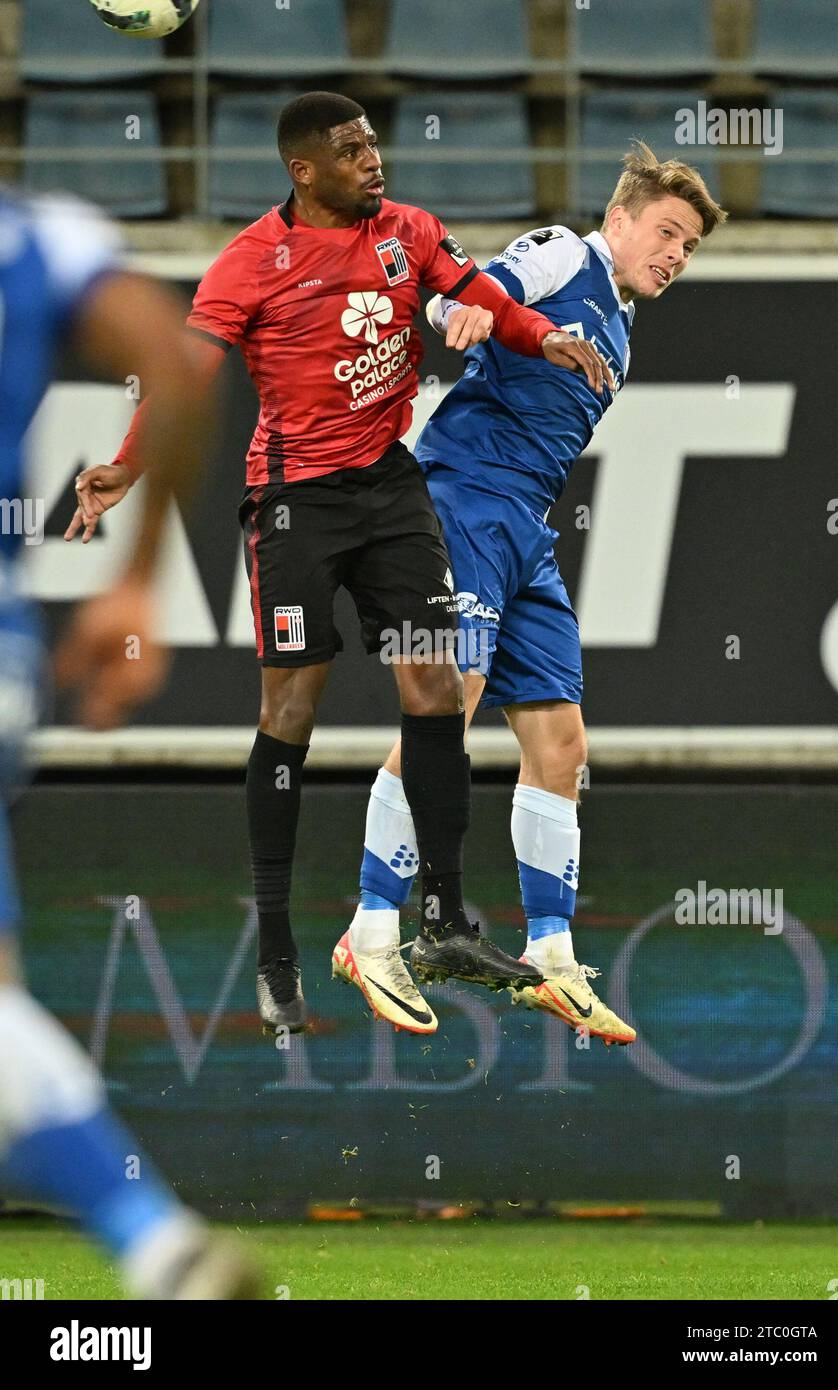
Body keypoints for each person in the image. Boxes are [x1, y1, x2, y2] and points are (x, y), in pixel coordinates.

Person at [67, 91, 614, 1038]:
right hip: (294, 507)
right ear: (303, 169)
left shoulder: (409, 232)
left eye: (374, 145)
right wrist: (126, 462)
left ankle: (439, 922)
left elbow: (479, 297)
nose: (375, 162)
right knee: (290, 713)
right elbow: (187, 375)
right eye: (353, 151)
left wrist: (547, 335)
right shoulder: (249, 264)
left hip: (391, 493)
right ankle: (277, 955)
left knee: (435, 685)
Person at [352, 143, 728, 1043]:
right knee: (450, 707)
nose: (674, 253)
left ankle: (552, 955)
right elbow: (463, 288)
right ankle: (371, 929)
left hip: (524, 528)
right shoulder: (566, 252)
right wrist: (459, 314)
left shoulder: (623, 327)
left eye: (688, 246)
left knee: (560, 744)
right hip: (461, 503)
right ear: (620, 219)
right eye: (666, 232)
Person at [0, 186, 259, 1295]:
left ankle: (149, 1234)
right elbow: (173, 353)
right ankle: (154, 1241)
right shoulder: (36, 232)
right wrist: (137, 576)